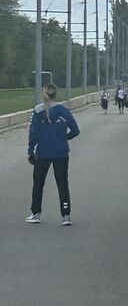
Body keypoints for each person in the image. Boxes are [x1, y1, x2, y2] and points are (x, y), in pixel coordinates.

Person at [26, 84, 80, 225]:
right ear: (56, 94)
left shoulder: (37, 112)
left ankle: (35, 213)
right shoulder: (63, 111)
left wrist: (30, 151)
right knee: (62, 184)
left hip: (43, 152)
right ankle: (66, 216)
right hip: (61, 152)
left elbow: (33, 134)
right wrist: (64, 138)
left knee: (38, 184)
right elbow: (75, 130)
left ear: (44, 94)